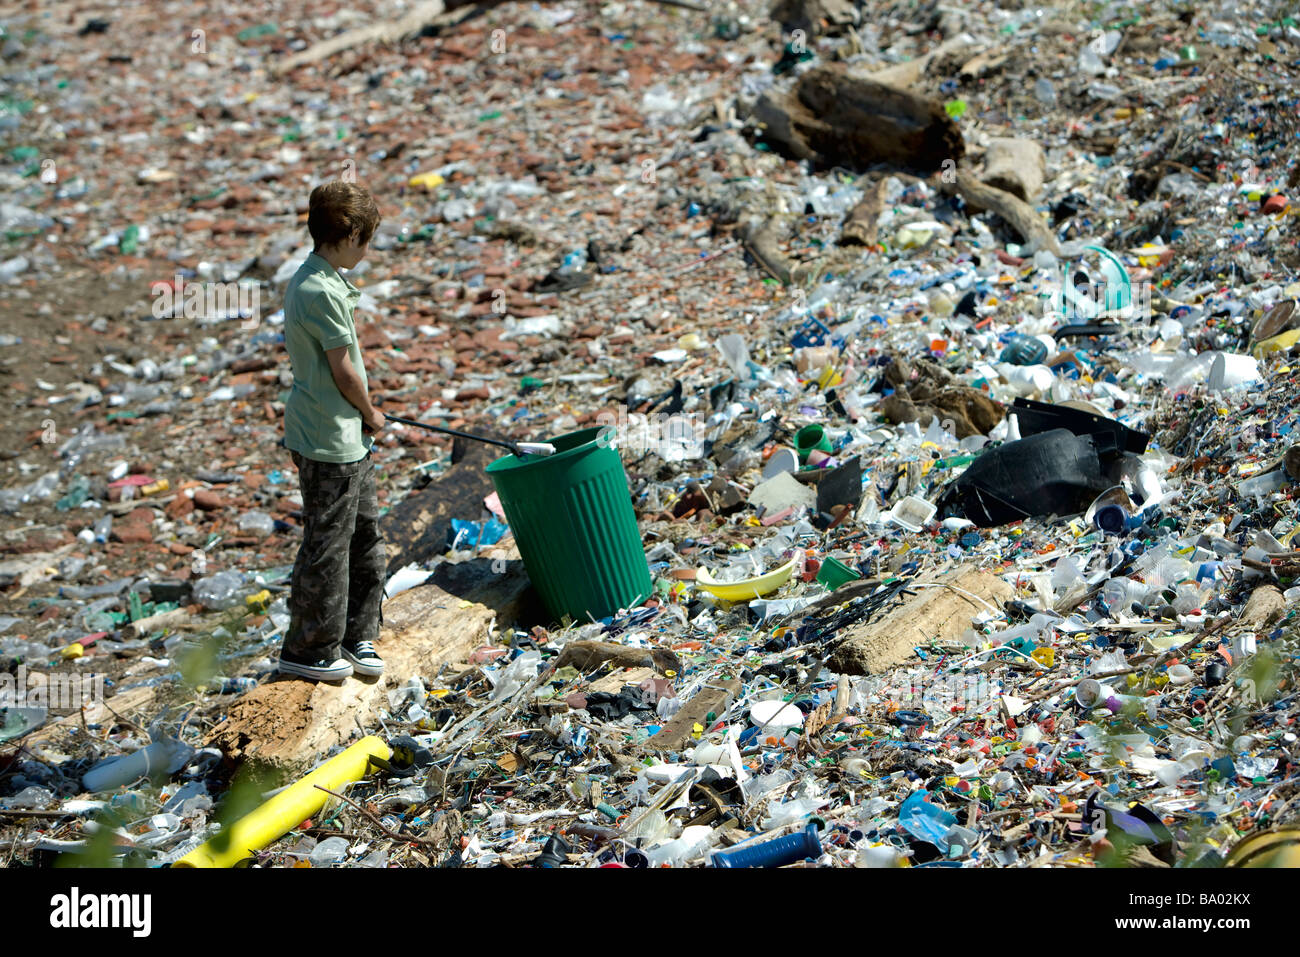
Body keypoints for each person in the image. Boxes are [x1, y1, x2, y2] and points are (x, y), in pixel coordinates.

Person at [277, 180, 387, 681]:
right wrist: (371, 412)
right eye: (366, 239)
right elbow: (342, 370)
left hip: (346, 438)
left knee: (364, 537)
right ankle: (307, 648)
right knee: (327, 545)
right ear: (347, 237)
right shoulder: (317, 289)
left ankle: (355, 635)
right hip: (329, 437)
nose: (367, 250)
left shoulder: (324, 280)